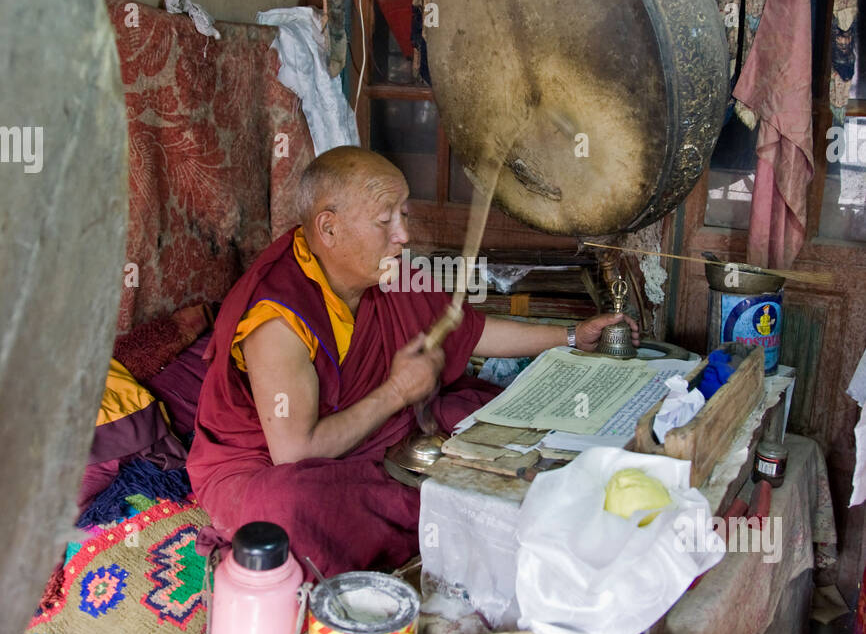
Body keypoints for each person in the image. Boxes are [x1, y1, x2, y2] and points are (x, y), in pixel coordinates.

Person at [188, 147, 638, 576]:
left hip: (380, 434)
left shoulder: (387, 271)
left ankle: (468, 503)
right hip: (273, 464)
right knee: (287, 509)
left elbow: (470, 329)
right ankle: (463, 512)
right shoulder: (279, 320)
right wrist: (397, 392)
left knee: (471, 410)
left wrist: (572, 336)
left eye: (404, 215)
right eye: (385, 220)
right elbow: (295, 452)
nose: (403, 235)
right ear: (328, 229)